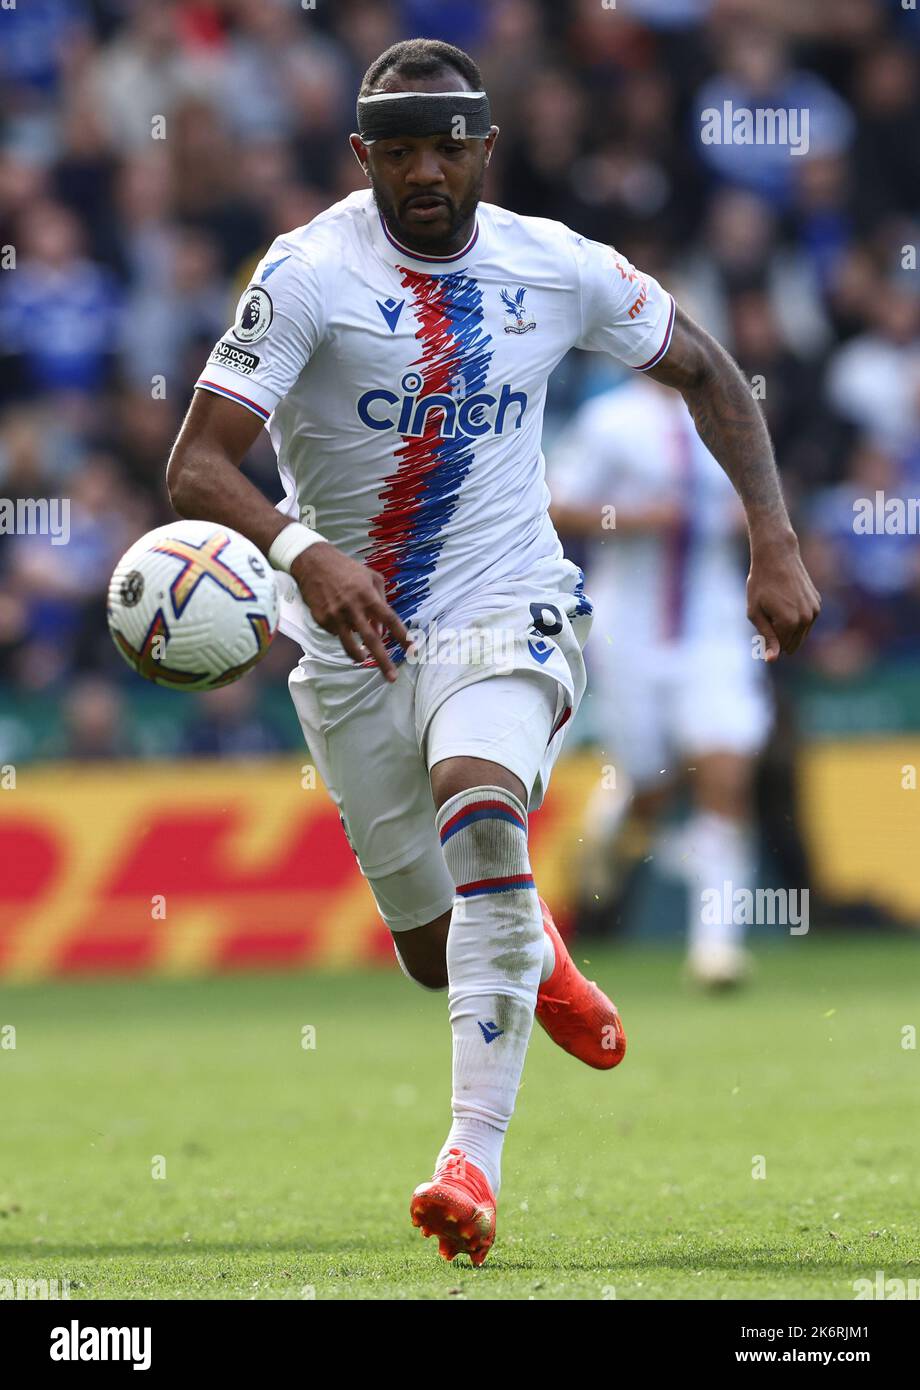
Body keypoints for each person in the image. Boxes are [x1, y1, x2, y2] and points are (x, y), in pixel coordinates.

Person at [165, 38, 820, 1266]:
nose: (424, 170)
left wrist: (771, 540)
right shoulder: (304, 274)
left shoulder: (555, 263)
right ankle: (543, 954)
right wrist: (304, 549)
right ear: (361, 157)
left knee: (484, 818)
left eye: (445, 146)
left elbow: (709, 369)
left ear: (484, 149)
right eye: (398, 150)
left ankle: (470, 1159)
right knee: (433, 948)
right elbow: (195, 465)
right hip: (345, 635)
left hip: (506, 601)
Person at [550, 374, 773, 985]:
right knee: (652, 780)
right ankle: (615, 817)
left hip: (713, 623)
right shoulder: (609, 419)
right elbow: (554, 501)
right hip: (633, 626)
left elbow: (765, 498)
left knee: (725, 770)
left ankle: (715, 950)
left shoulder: (730, 414)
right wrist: (631, 517)